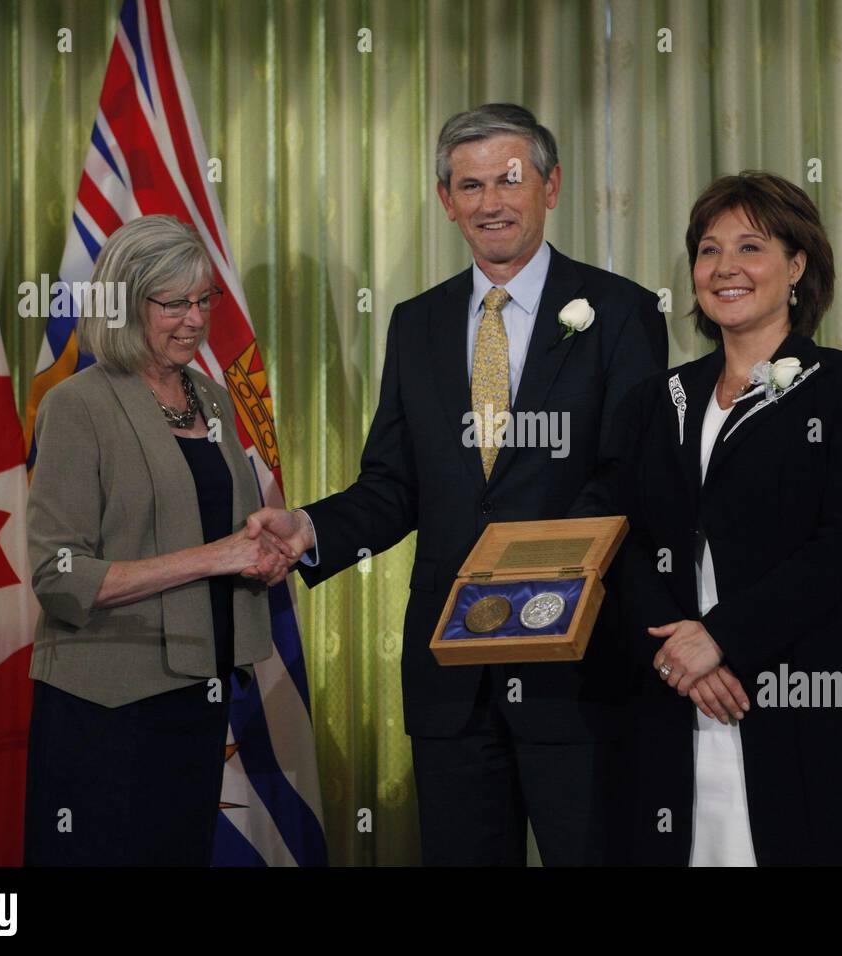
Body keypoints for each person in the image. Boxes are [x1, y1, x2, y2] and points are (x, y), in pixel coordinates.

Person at [247, 103, 665, 865]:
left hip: (576, 673)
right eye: (469, 186)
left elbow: (629, 474)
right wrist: (308, 528)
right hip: (452, 681)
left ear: (551, 185)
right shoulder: (417, 323)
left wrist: (533, 571)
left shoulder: (622, 312)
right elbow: (394, 484)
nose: (490, 203)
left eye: (509, 180)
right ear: (446, 201)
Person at [610, 171, 842, 865]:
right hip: (671, 700)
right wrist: (676, 656)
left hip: (799, 691)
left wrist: (720, 638)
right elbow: (625, 543)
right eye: (708, 250)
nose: (725, 269)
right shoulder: (655, 401)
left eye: (750, 248)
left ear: (797, 265)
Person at [23, 215, 290, 865]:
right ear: (123, 303)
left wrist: (264, 550)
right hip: (108, 706)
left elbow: (214, 527)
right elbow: (61, 575)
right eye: (173, 303)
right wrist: (217, 555)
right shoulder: (77, 404)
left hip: (201, 687)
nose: (195, 320)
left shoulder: (214, 401)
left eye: (204, 300)